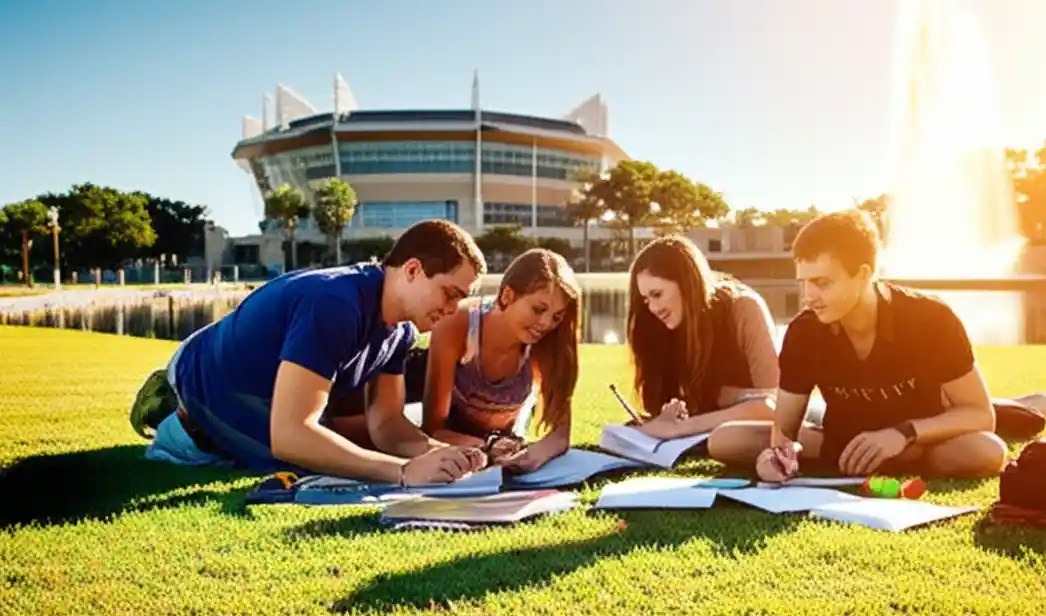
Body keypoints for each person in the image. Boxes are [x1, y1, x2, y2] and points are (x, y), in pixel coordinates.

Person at [129, 219, 490, 487]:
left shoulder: (401, 332)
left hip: (254, 418)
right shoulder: (335, 303)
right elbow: (291, 436)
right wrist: (402, 472)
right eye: (450, 293)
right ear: (413, 270)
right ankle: (161, 403)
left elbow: (387, 426)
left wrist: (444, 454)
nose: (454, 308)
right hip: (199, 427)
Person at [711, 210, 1046, 483]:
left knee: (986, 450)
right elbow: (783, 430)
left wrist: (901, 435)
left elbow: (982, 416)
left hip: (920, 442)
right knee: (724, 441)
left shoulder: (931, 318)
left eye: (822, 283)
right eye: (804, 283)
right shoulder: (805, 331)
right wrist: (777, 456)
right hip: (843, 443)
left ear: (863, 275)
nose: (809, 296)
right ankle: (880, 456)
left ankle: (1025, 408)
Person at [405, 248, 581, 473]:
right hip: (450, 431)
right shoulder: (458, 322)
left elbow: (560, 435)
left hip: (503, 441)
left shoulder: (548, 343)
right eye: (538, 309)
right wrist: (487, 446)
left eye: (557, 316)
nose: (546, 323)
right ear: (507, 296)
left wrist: (534, 455)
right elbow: (434, 428)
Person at [624, 236, 781, 455]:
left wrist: (680, 428)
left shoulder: (743, 308)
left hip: (765, 426)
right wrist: (662, 420)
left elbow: (774, 406)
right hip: (720, 431)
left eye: (658, 294)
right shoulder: (665, 330)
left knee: (726, 440)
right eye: (647, 299)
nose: (653, 308)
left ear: (687, 282)